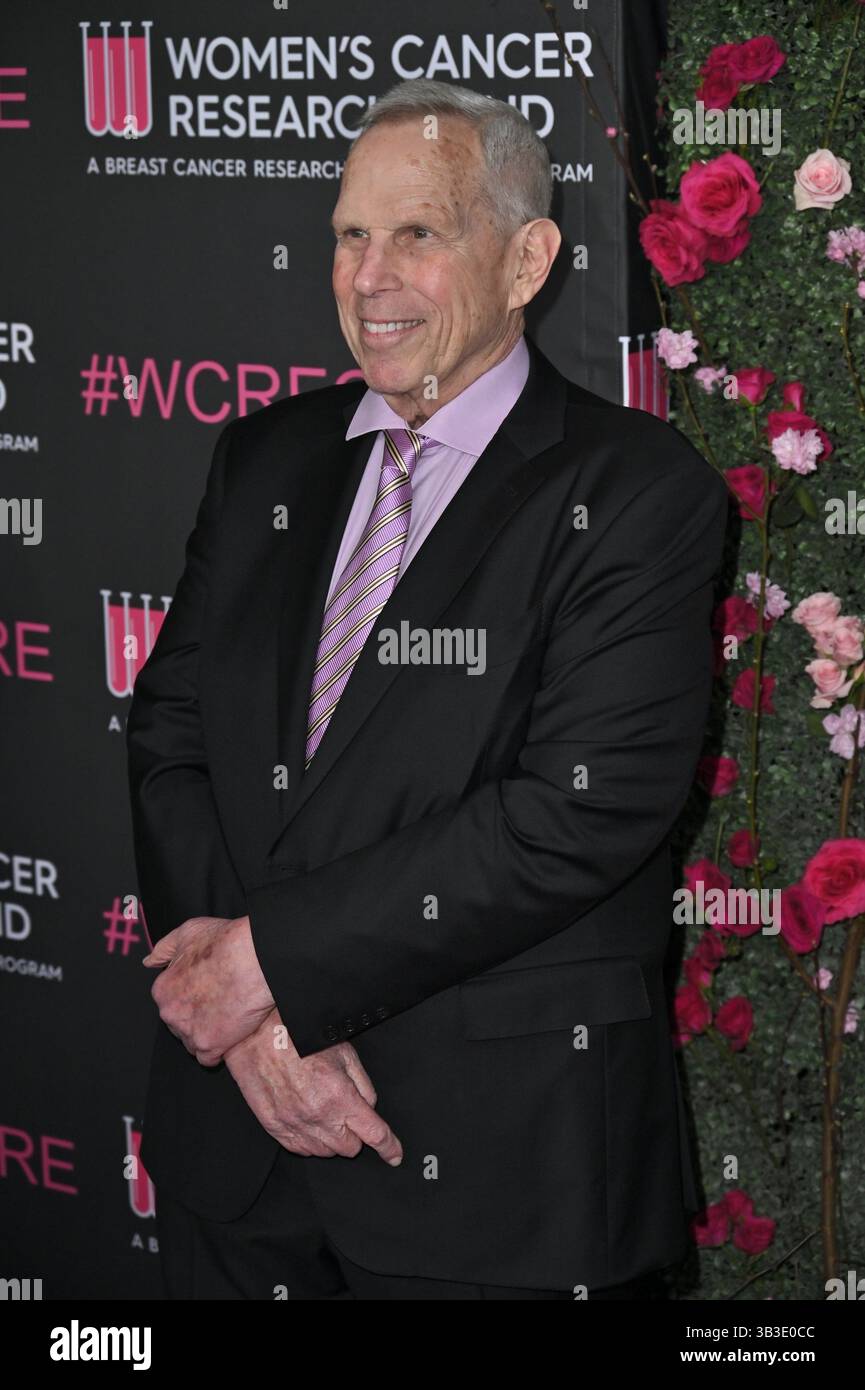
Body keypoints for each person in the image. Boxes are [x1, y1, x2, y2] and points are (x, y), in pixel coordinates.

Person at [127, 77, 728, 1301]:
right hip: (237, 1164)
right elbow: (173, 729)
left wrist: (273, 970)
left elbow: (574, 811)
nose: (368, 276)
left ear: (524, 262)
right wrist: (241, 1014)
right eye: (350, 233)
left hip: (502, 1191)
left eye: (418, 233)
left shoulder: (639, 494)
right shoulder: (265, 456)